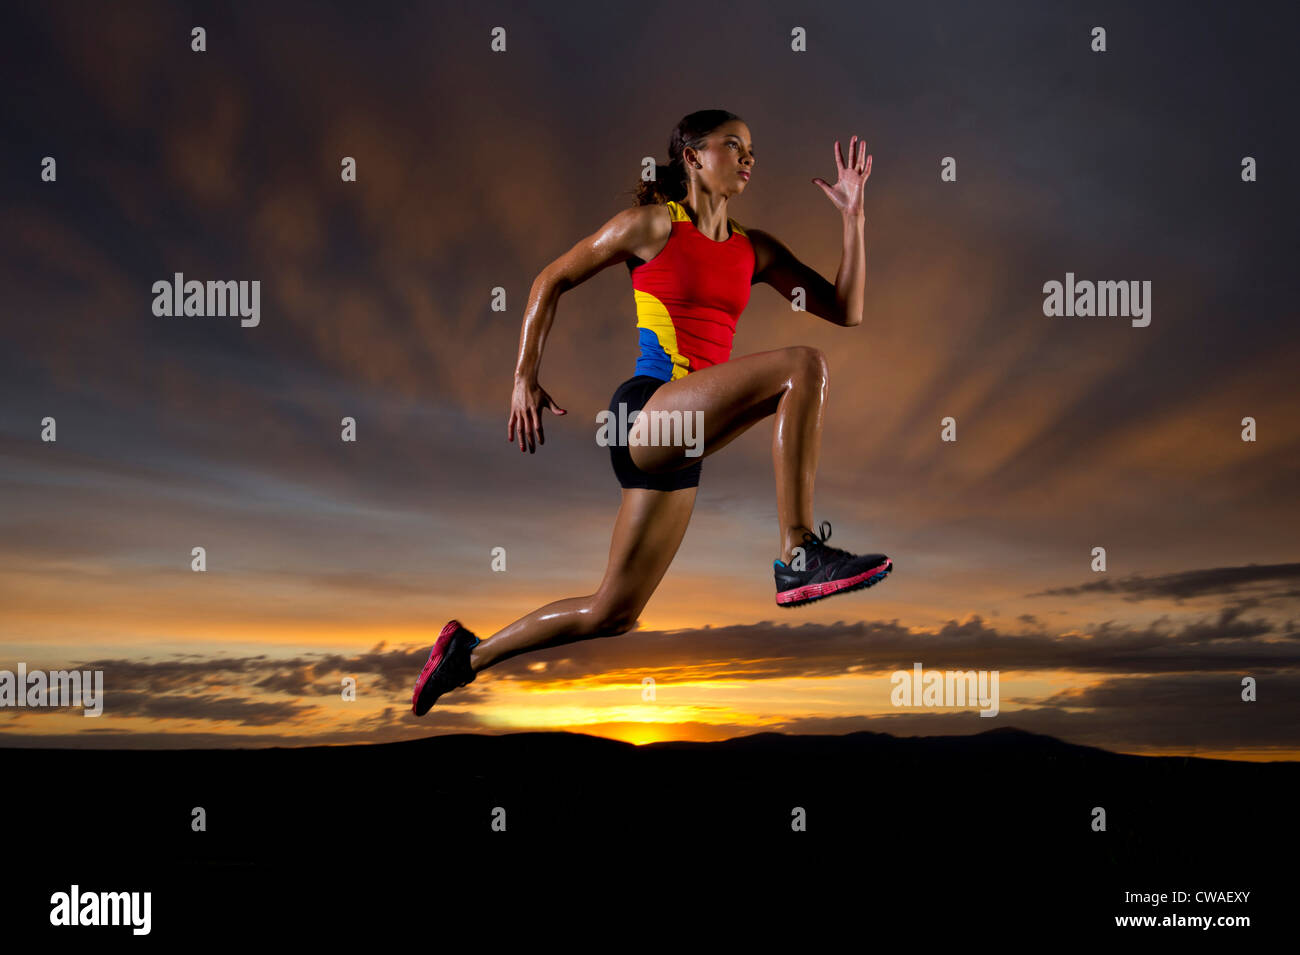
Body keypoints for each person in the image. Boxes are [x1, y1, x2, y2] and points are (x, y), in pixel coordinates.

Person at [413, 109, 892, 716]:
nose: (749, 157)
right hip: (647, 413)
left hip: (684, 440)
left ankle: (465, 656)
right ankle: (798, 554)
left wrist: (854, 219)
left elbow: (847, 309)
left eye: (752, 150)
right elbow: (550, 278)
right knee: (803, 367)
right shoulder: (652, 226)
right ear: (692, 156)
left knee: (612, 612)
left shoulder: (756, 250)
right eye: (733, 146)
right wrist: (522, 378)